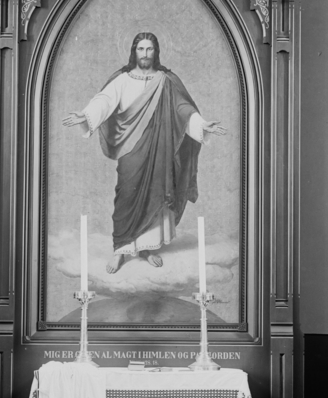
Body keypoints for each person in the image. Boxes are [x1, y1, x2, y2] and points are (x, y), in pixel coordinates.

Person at [63, 32, 225, 273]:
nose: (146, 54)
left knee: (155, 194)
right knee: (127, 193)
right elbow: (105, 100)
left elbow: (182, 109)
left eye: (150, 49)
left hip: (159, 149)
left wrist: (201, 125)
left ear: (156, 52)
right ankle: (121, 249)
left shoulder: (166, 80)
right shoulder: (123, 79)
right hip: (131, 149)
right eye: (141, 49)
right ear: (134, 51)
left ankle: (146, 247)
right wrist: (86, 115)